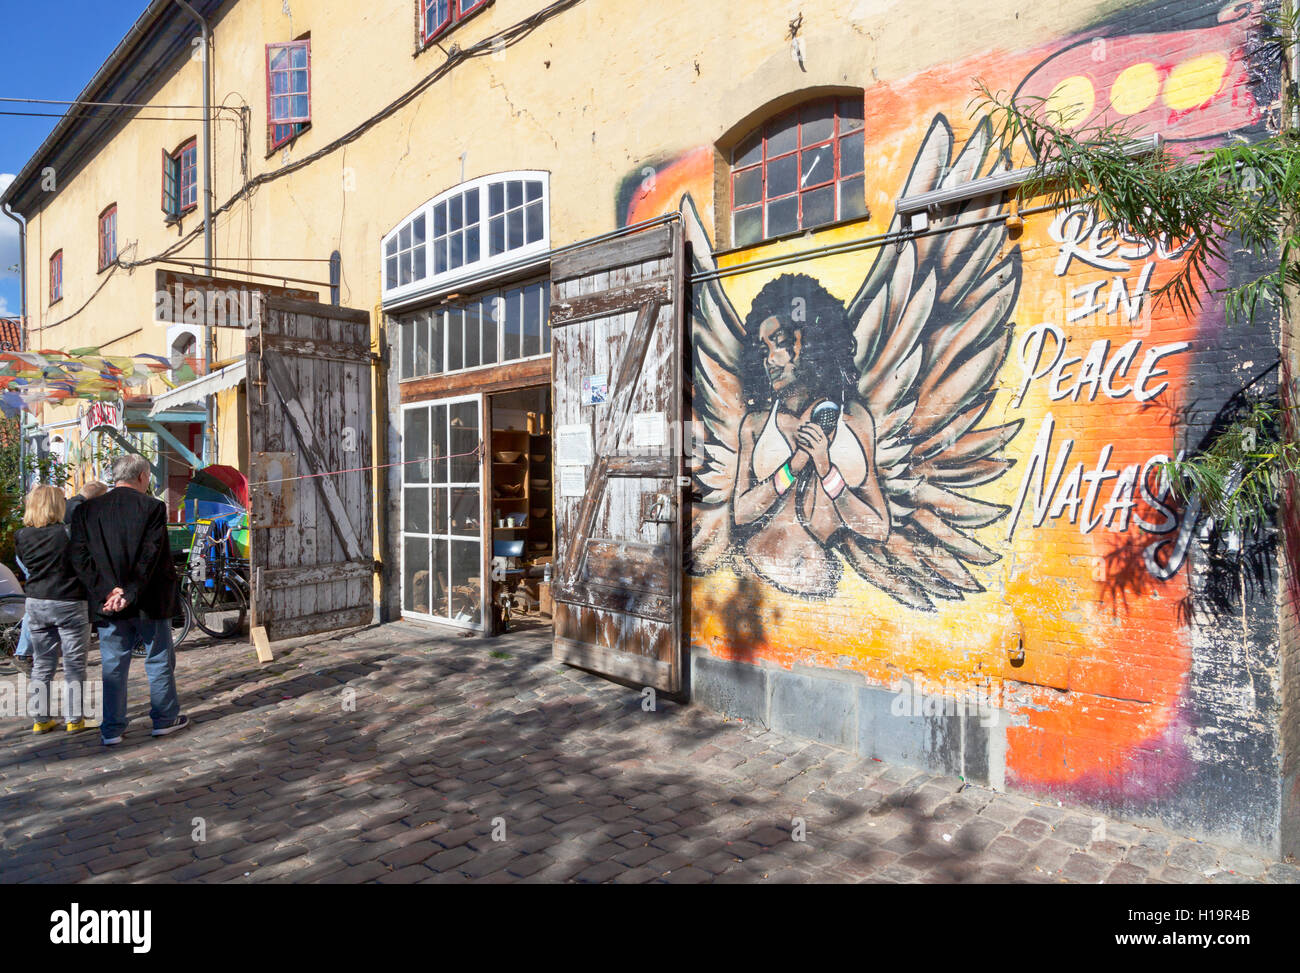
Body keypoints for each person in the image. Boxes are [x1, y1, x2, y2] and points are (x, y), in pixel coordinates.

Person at [731, 274, 889, 596]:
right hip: (754, 582)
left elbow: (879, 527)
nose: (769, 360)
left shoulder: (855, 420)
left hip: (824, 601)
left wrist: (827, 470)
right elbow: (741, 512)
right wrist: (796, 464)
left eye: (780, 343)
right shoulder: (757, 424)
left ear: (813, 340)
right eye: (763, 350)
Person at [69, 454, 188, 746]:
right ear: (142, 477)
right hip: (147, 599)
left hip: (109, 602)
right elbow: (150, 555)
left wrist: (108, 590)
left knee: (113, 665)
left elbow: (80, 557)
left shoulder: (87, 510)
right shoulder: (152, 507)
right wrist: (127, 591)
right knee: (158, 659)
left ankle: (111, 728)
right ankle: (164, 719)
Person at [15, 485, 91, 734]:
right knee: (74, 664)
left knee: (42, 663)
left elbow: (25, 565)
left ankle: (40, 719)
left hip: (36, 602)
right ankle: (74, 718)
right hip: (69, 601)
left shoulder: (22, 535)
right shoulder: (69, 533)